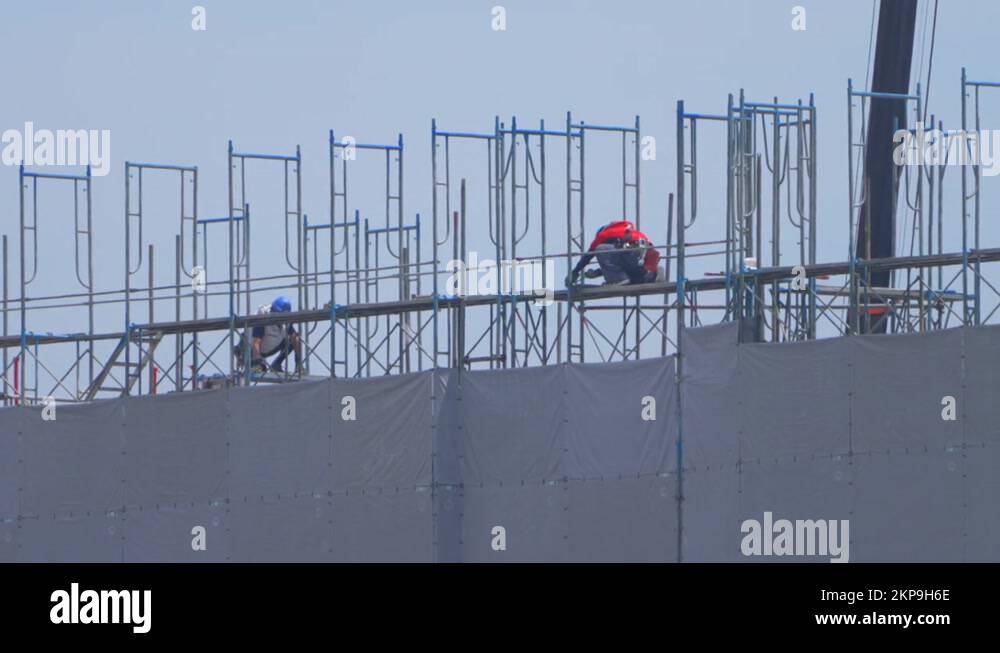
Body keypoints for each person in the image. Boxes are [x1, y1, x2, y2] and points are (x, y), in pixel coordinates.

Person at [565, 220, 661, 287]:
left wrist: (574, 272)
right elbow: (619, 263)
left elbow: (588, 255)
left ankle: (618, 279)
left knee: (601, 249)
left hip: (634, 254)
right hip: (646, 261)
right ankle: (653, 275)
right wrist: (598, 272)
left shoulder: (604, 234)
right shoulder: (632, 233)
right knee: (622, 255)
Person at [234, 296, 303, 374]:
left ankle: (276, 364)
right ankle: (246, 358)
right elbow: (256, 341)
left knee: (292, 340)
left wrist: (298, 361)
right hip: (249, 348)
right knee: (260, 368)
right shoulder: (263, 317)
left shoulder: (285, 320)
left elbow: (294, 337)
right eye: (273, 311)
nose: (273, 314)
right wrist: (258, 362)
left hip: (266, 348)